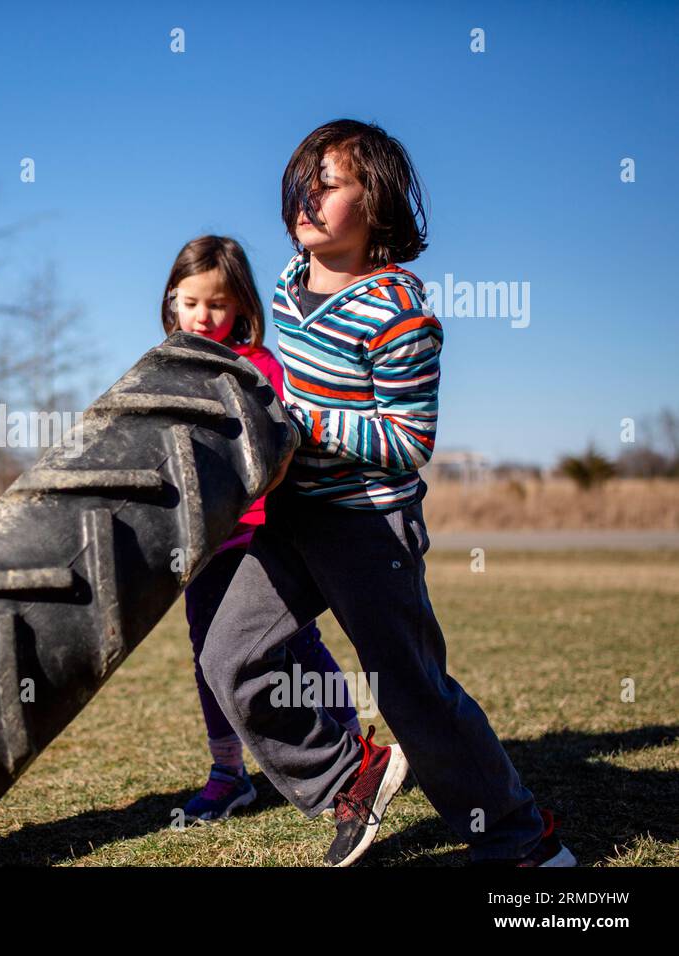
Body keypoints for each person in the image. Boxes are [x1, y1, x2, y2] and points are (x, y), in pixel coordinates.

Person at [200, 119, 574, 866]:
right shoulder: (285, 283)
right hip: (290, 517)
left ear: (375, 204)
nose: (306, 197)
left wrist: (301, 420)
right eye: (299, 182)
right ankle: (353, 776)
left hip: (369, 528)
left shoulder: (400, 314)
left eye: (327, 183)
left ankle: (520, 839)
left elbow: (408, 444)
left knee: (410, 690)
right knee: (229, 656)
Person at [161, 235, 363, 823]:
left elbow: (280, 451)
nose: (203, 316)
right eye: (192, 302)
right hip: (203, 546)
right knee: (209, 655)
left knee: (295, 645)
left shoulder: (259, 370)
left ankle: (351, 751)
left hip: (262, 539)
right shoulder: (164, 374)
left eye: (218, 305)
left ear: (243, 308)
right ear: (172, 301)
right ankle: (229, 773)